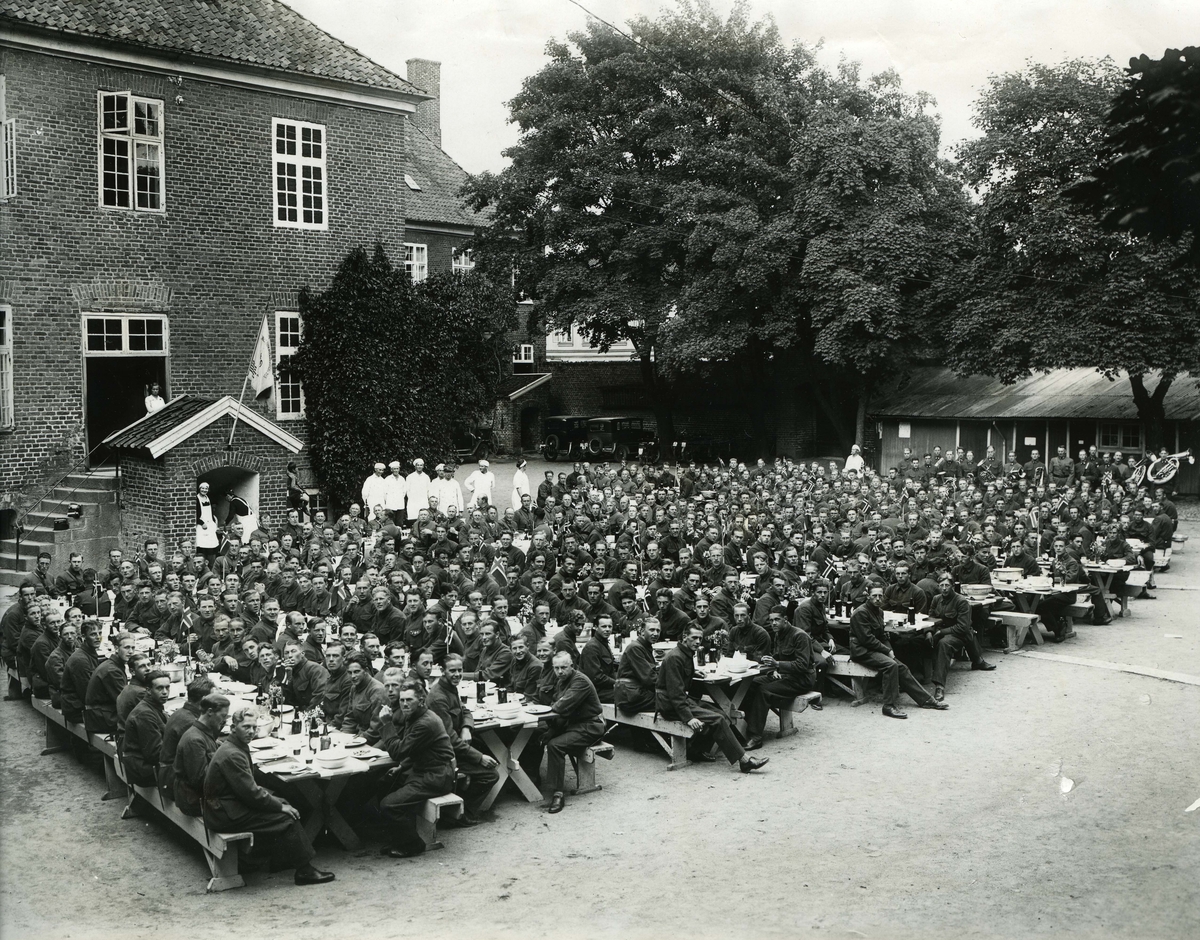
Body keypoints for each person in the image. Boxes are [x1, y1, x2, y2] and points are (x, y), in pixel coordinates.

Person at [203, 704, 335, 885]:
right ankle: (304, 870)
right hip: (223, 814)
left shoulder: (235, 746)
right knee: (285, 818)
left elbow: (249, 789)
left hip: (224, 807)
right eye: (246, 727)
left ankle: (279, 861)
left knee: (283, 803)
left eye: (254, 727)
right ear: (233, 728)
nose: (251, 732)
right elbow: (251, 794)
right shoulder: (233, 754)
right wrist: (280, 806)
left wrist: (278, 801)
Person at [656, 626, 768, 774]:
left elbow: (679, 678)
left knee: (720, 712)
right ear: (684, 637)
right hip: (670, 705)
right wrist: (688, 718)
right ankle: (745, 761)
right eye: (693, 638)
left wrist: (694, 672)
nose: (697, 642)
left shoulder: (685, 653)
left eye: (700, 638)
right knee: (717, 719)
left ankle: (696, 750)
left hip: (680, 700)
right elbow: (675, 694)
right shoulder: (675, 657)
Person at [375, 679, 457, 858]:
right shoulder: (416, 716)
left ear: (421, 700)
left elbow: (398, 751)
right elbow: (415, 749)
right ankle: (398, 838)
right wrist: (402, 767)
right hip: (425, 771)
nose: (404, 704)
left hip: (437, 776)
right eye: (402, 700)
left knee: (389, 805)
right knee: (382, 785)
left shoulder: (424, 722)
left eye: (409, 700)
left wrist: (387, 724)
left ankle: (413, 844)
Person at [850, 585, 946, 719]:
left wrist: (890, 650)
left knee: (902, 667)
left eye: (880, 596)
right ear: (868, 596)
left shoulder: (879, 611)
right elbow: (866, 639)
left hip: (874, 648)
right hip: (862, 650)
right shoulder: (861, 612)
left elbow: (883, 635)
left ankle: (926, 700)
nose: (878, 599)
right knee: (891, 665)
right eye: (874, 596)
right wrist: (887, 650)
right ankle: (888, 706)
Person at [424, 654, 500, 825]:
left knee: (491, 754)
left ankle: (458, 807)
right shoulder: (438, 697)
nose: (457, 674)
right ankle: (460, 814)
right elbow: (449, 739)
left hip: (455, 746)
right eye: (452, 671)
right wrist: (479, 757)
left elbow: (464, 710)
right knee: (490, 774)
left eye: (460, 670)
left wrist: (466, 728)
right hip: (443, 754)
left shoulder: (450, 687)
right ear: (442, 671)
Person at [541, 651, 606, 814]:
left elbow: (560, 707)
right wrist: (551, 730)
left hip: (591, 726)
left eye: (563, 667)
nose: (559, 671)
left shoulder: (580, 681)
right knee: (539, 735)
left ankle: (558, 793)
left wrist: (547, 711)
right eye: (556, 668)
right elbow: (558, 708)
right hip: (574, 724)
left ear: (572, 666)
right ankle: (532, 777)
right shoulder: (562, 681)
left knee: (555, 745)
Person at [927, 574, 995, 701]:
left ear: (952, 586)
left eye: (947, 585)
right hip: (941, 631)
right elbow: (931, 618)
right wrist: (930, 631)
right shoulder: (936, 599)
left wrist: (941, 632)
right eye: (941, 586)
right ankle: (922, 675)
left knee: (944, 644)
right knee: (922, 639)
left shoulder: (961, 601)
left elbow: (962, 627)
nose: (944, 588)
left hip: (959, 634)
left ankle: (939, 686)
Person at [174, 692, 228, 816]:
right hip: (194, 800)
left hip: (195, 796)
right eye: (223, 716)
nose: (225, 720)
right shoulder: (195, 739)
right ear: (209, 712)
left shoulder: (202, 732)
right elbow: (201, 781)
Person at [160, 676, 215, 791]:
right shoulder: (190, 723)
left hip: (172, 773)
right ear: (204, 700)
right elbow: (199, 771)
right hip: (175, 781)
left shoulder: (183, 712)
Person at [121, 670, 172, 787]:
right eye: (159, 688)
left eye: (167, 687)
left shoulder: (153, 706)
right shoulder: (145, 714)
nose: (165, 692)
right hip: (143, 771)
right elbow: (155, 754)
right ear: (148, 690)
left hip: (143, 765)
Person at [85, 631, 136, 735]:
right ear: (116, 648)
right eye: (126, 648)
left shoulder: (114, 664)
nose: (131, 651)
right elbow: (124, 702)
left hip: (101, 713)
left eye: (133, 648)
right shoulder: (112, 670)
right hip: (101, 718)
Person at [61, 619, 103, 726]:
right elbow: (86, 693)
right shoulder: (80, 660)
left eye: (100, 633)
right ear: (83, 636)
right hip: (76, 709)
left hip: (79, 704)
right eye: (93, 634)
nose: (98, 637)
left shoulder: (89, 652)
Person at [614, 617, 659, 714]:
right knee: (670, 702)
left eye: (658, 630)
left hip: (633, 693)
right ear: (642, 631)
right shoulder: (635, 648)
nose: (655, 633)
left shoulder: (644, 647)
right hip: (630, 696)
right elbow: (649, 678)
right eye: (652, 630)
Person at [578, 614, 617, 703]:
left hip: (603, 689)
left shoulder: (603, 643)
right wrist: (617, 683)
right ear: (595, 627)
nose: (607, 629)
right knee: (629, 695)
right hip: (595, 692)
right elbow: (596, 677)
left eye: (610, 626)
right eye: (603, 626)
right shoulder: (592, 647)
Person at [196, 481, 219, 565]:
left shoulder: (207, 498)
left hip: (209, 524)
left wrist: (213, 522)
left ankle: (211, 564)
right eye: (202, 488)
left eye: (206, 489)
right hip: (201, 525)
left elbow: (210, 512)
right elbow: (195, 513)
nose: (204, 490)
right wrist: (201, 523)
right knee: (202, 545)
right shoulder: (197, 498)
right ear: (199, 489)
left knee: (212, 545)